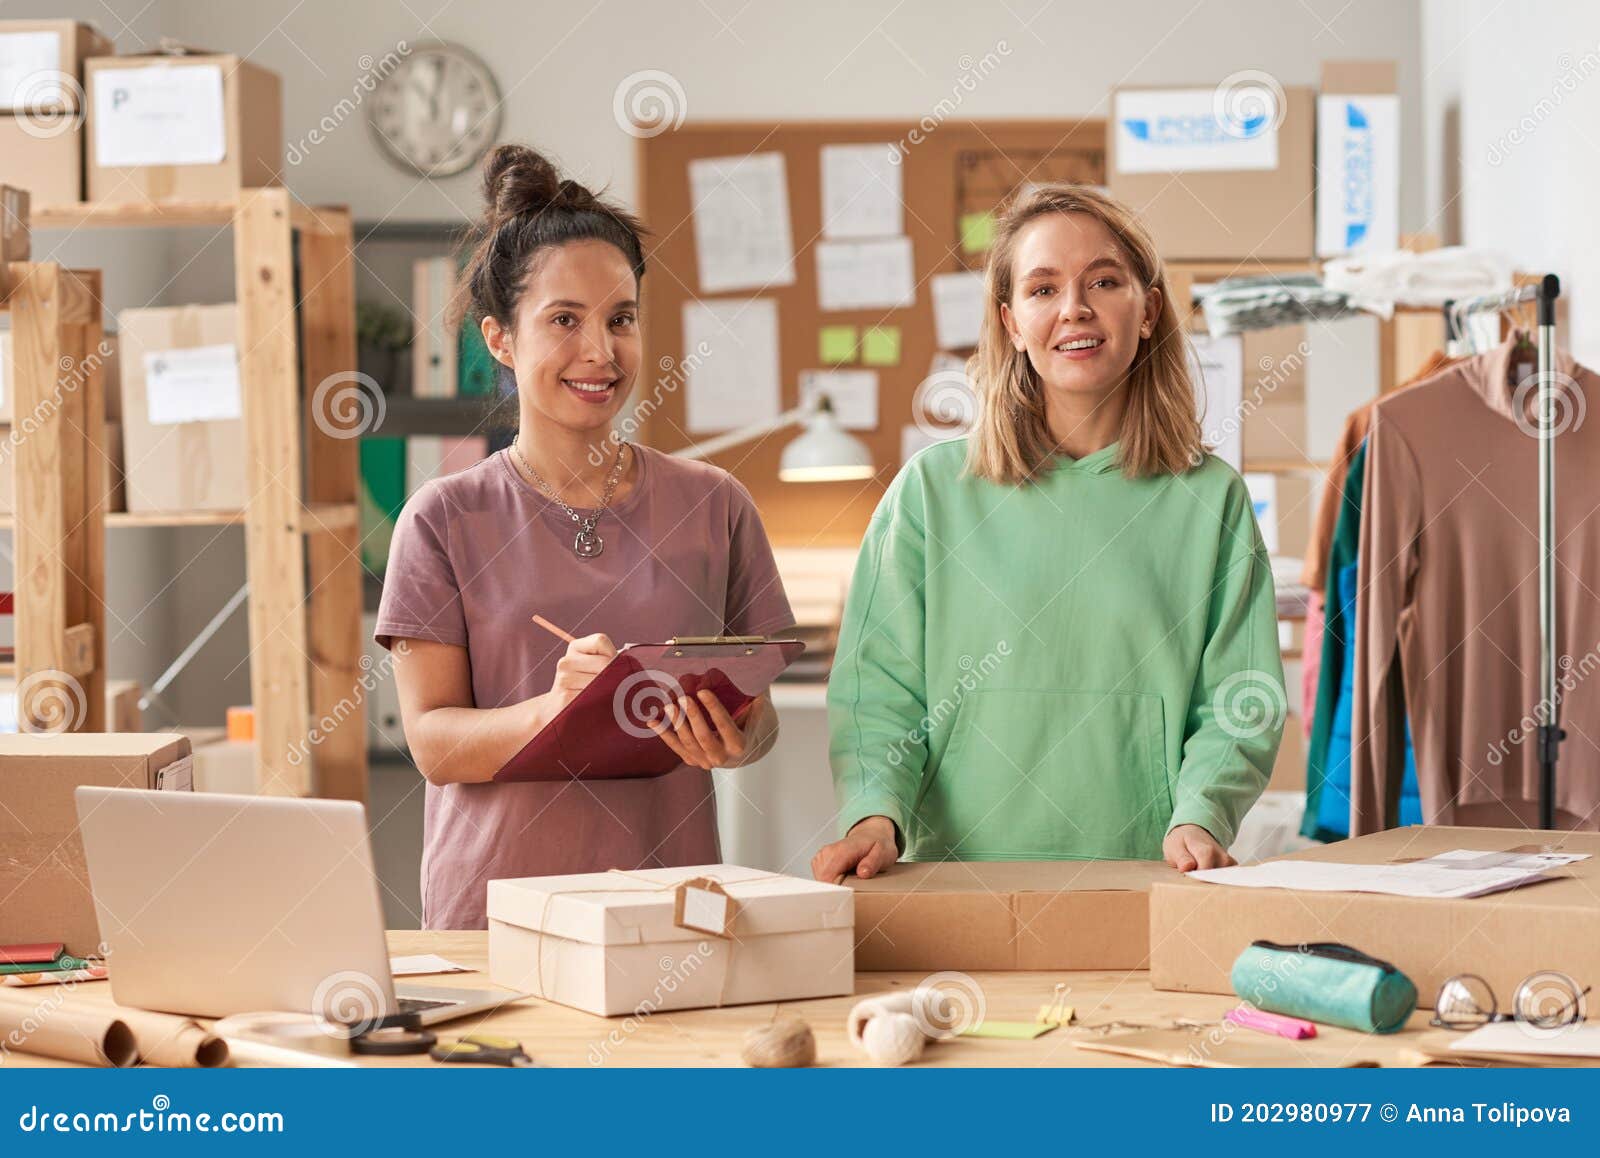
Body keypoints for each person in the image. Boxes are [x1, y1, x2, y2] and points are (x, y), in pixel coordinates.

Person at [812, 184, 1284, 883]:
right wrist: (874, 811)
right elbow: (878, 692)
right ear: (1010, 322)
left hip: (1146, 876)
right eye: (1042, 288)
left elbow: (1241, 695)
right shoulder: (929, 493)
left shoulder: (1210, 499)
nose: (1074, 309)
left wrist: (1201, 812)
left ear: (1148, 309)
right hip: (958, 881)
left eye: (1103, 280)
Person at [376, 144, 795, 929]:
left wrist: (736, 739)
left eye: (621, 319)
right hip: (496, 914)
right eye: (564, 320)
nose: (600, 352)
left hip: (671, 908)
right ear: (501, 339)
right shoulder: (442, 518)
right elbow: (432, 741)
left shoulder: (715, 504)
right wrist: (558, 708)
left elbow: (761, 714)